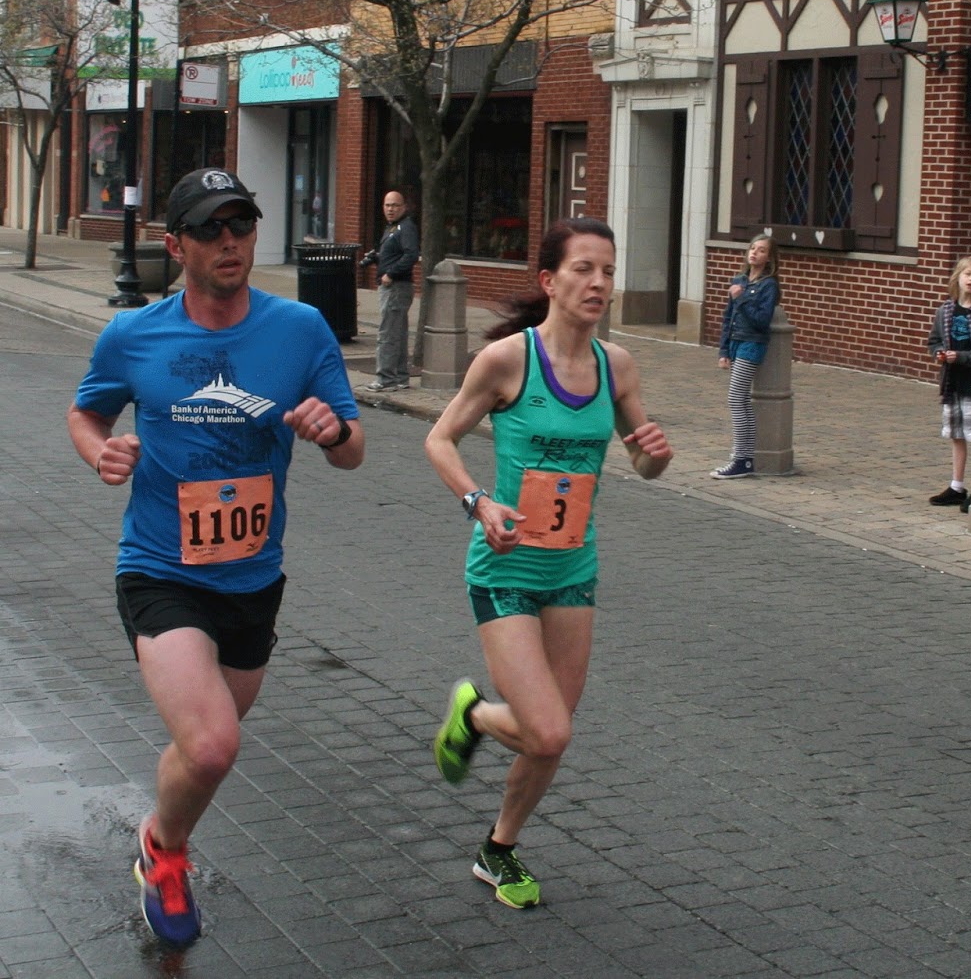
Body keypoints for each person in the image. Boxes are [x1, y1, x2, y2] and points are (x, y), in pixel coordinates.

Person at [66, 167, 365, 948]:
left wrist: (332, 432)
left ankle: (159, 832)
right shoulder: (133, 335)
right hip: (161, 569)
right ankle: (165, 856)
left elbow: (353, 446)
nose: (229, 241)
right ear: (176, 245)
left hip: (254, 577)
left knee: (205, 746)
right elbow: (86, 411)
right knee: (212, 744)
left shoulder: (300, 329)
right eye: (209, 229)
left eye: (240, 225)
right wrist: (101, 451)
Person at [423, 217, 672, 910]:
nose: (598, 283)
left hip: (573, 569)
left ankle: (497, 850)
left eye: (608, 271)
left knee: (551, 737)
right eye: (584, 269)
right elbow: (440, 439)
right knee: (548, 728)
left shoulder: (617, 366)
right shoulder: (507, 361)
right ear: (549, 280)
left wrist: (654, 452)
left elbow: (644, 463)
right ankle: (470, 718)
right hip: (504, 567)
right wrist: (478, 502)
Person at [926, 256, 971, 512]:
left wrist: (964, 357)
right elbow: (934, 340)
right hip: (952, 383)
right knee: (957, 434)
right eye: (967, 273)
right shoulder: (944, 311)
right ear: (957, 277)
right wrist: (939, 353)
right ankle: (957, 486)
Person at [713, 234, 780, 479]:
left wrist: (740, 298)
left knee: (735, 398)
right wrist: (723, 350)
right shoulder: (739, 280)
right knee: (740, 401)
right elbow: (727, 319)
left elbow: (761, 321)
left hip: (752, 344)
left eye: (761, 250)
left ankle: (742, 459)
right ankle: (744, 458)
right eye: (752, 248)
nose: (754, 253)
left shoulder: (768, 285)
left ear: (770, 258)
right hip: (736, 343)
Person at [361, 189, 420, 391]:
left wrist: (391, 273)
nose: (390, 209)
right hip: (394, 286)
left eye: (395, 205)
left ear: (403, 207)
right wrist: (377, 258)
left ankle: (385, 379)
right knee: (399, 333)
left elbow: (411, 254)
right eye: (387, 205)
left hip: (396, 287)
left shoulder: (406, 228)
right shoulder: (393, 228)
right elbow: (397, 254)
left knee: (387, 333)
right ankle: (401, 376)